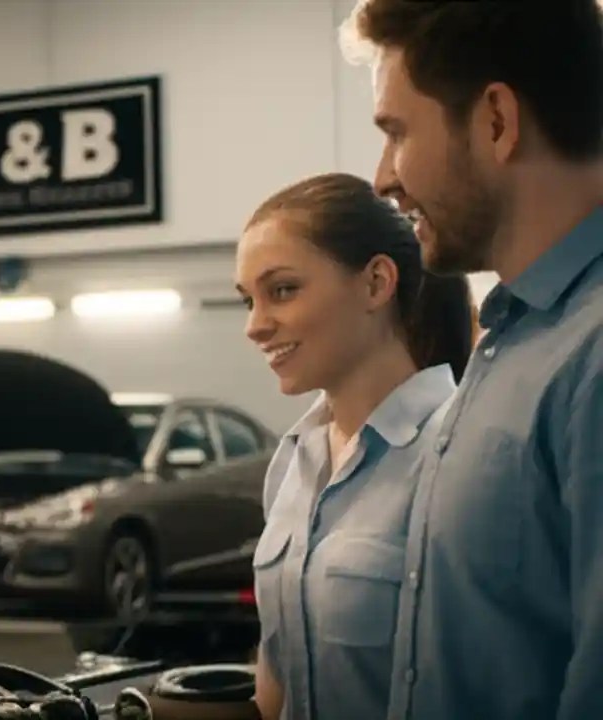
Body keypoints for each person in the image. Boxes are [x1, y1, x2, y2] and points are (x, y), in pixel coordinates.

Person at [339, 1, 603, 718]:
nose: (383, 177)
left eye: (396, 133)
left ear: (496, 121)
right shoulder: (514, 338)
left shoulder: (590, 353)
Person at [234, 172, 473, 720]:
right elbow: (277, 672)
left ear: (374, 284)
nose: (254, 325)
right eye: (248, 299)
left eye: (283, 290)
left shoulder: (457, 450)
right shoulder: (294, 460)